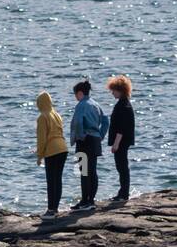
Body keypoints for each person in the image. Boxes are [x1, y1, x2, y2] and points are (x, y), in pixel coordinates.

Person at [68, 79, 108, 211]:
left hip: (84, 141)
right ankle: (91, 200)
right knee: (93, 171)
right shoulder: (96, 104)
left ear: (79, 93)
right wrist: (100, 135)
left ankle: (84, 201)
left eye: (75, 95)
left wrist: (79, 137)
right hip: (95, 140)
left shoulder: (81, 105)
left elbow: (78, 122)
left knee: (83, 171)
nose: (75, 97)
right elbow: (106, 121)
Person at [36, 91, 69, 219]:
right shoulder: (56, 114)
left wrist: (39, 155)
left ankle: (51, 210)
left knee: (51, 181)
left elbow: (42, 139)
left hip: (52, 150)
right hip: (63, 148)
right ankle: (55, 208)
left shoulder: (42, 117)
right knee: (58, 179)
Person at [107, 75, 135, 201]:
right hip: (123, 140)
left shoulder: (123, 106)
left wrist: (116, 144)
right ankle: (123, 192)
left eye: (114, 90)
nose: (112, 93)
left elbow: (121, 128)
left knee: (122, 167)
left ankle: (124, 193)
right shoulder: (123, 104)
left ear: (121, 90)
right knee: (122, 166)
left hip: (122, 141)